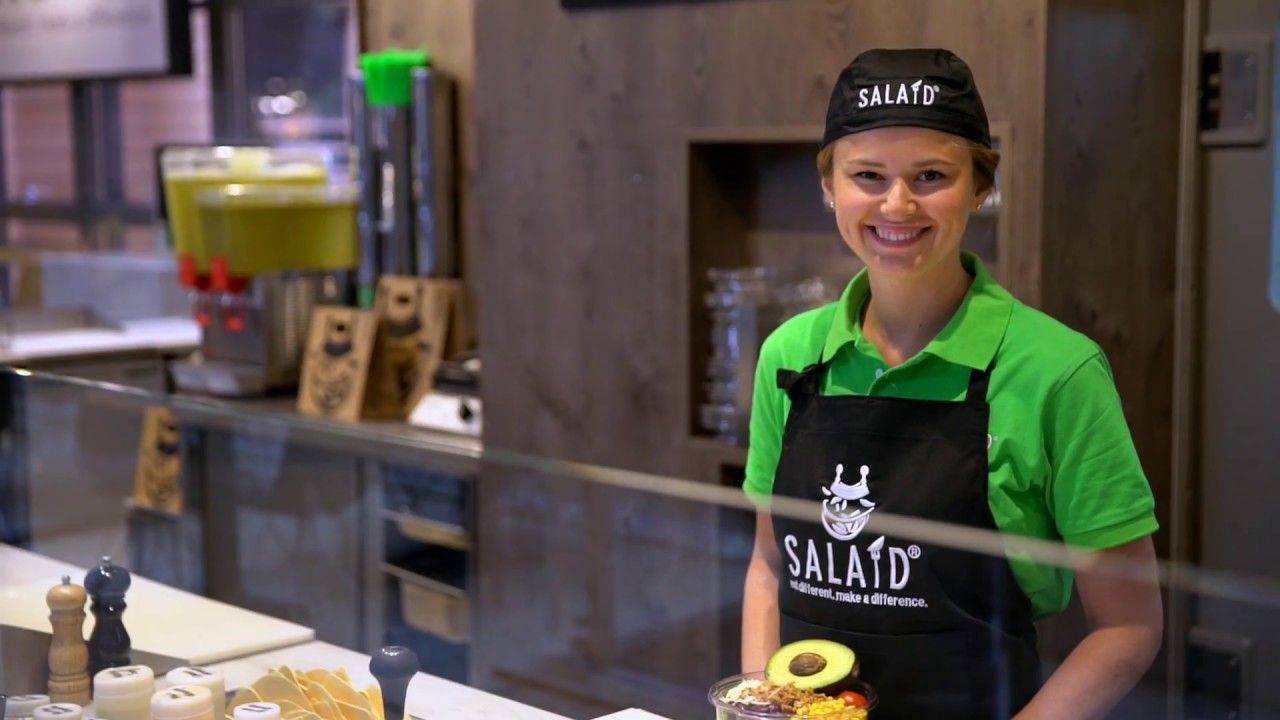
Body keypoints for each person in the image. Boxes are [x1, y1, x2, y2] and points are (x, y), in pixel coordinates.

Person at [740, 48, 1163, 720]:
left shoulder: (1059, 370)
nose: (897, 203)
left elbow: (1128, 624)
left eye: (931, 175)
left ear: (980, 186)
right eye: (867, 175)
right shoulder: (790, 355)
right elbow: (769, 565)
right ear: (829, 187)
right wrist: (765, 707)